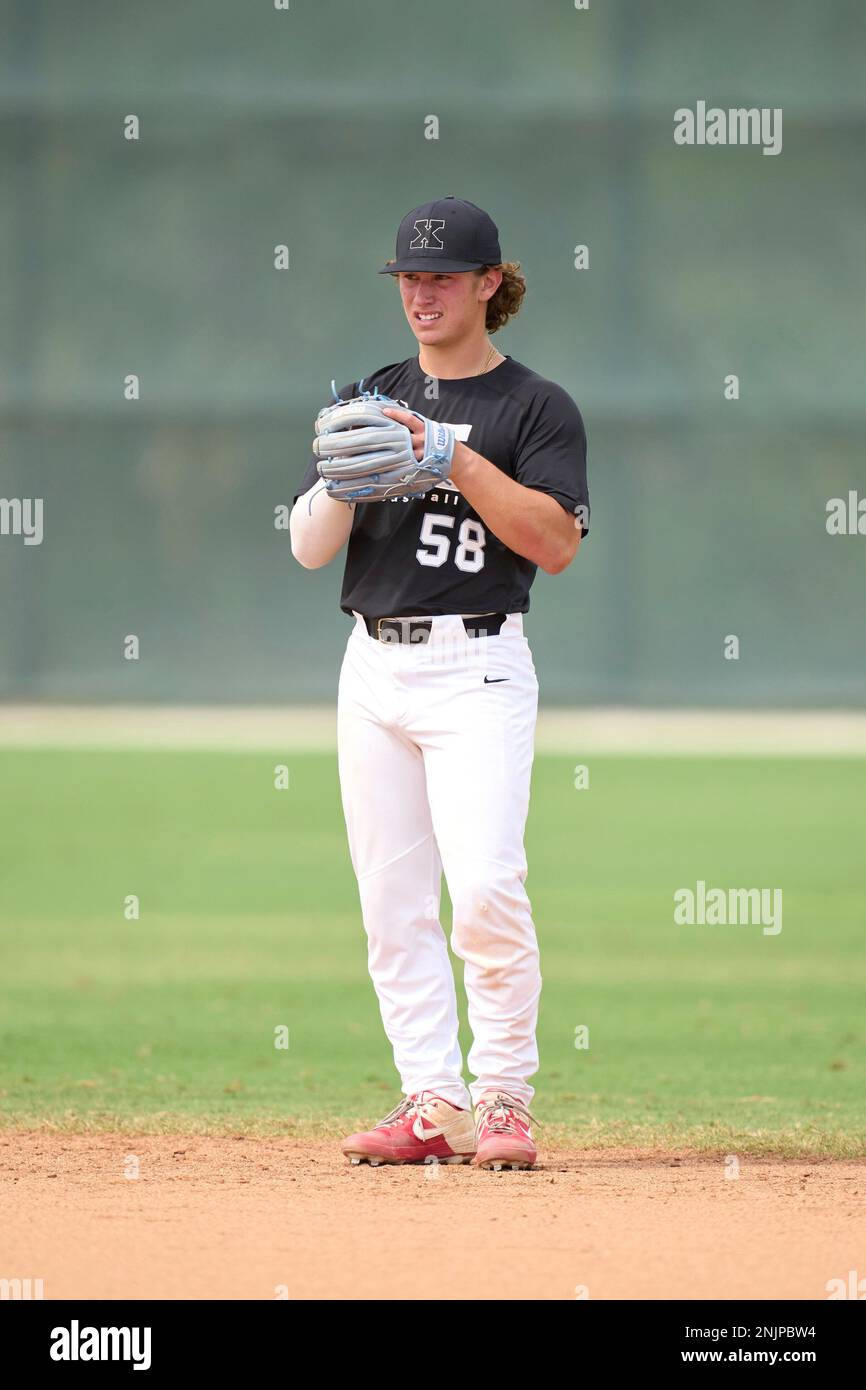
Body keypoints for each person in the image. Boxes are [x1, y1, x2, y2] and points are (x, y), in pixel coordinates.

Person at [290, 196, 589, 1170]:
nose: (422, 292)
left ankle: (503, 1097)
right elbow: (306, 551)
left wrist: (449, 456)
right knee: (391, 901)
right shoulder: (371, 393)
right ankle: (431, 1101)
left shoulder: (532, 407)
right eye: (410, 278)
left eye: (442, 277)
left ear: (487, 285)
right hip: (372, 663)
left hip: (477, 663)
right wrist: (335, 477)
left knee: (487, 887)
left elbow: (553, 545)